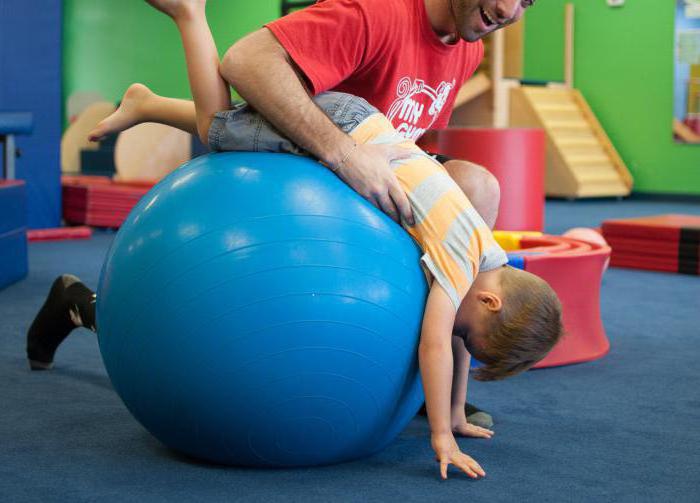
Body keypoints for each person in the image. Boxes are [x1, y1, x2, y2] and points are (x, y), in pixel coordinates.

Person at [28, 0, 562, 480]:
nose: (514, 9)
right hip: (332, 145)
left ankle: (146, 103)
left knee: (476, 183)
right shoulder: (374, 13)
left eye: (530, 1)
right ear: (492, 298)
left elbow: (450, 336)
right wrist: (442, 436)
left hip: (372, 163)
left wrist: (451, 407)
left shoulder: (466, 46)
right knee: (219, 130)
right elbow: (245, 64)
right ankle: (190, 15)